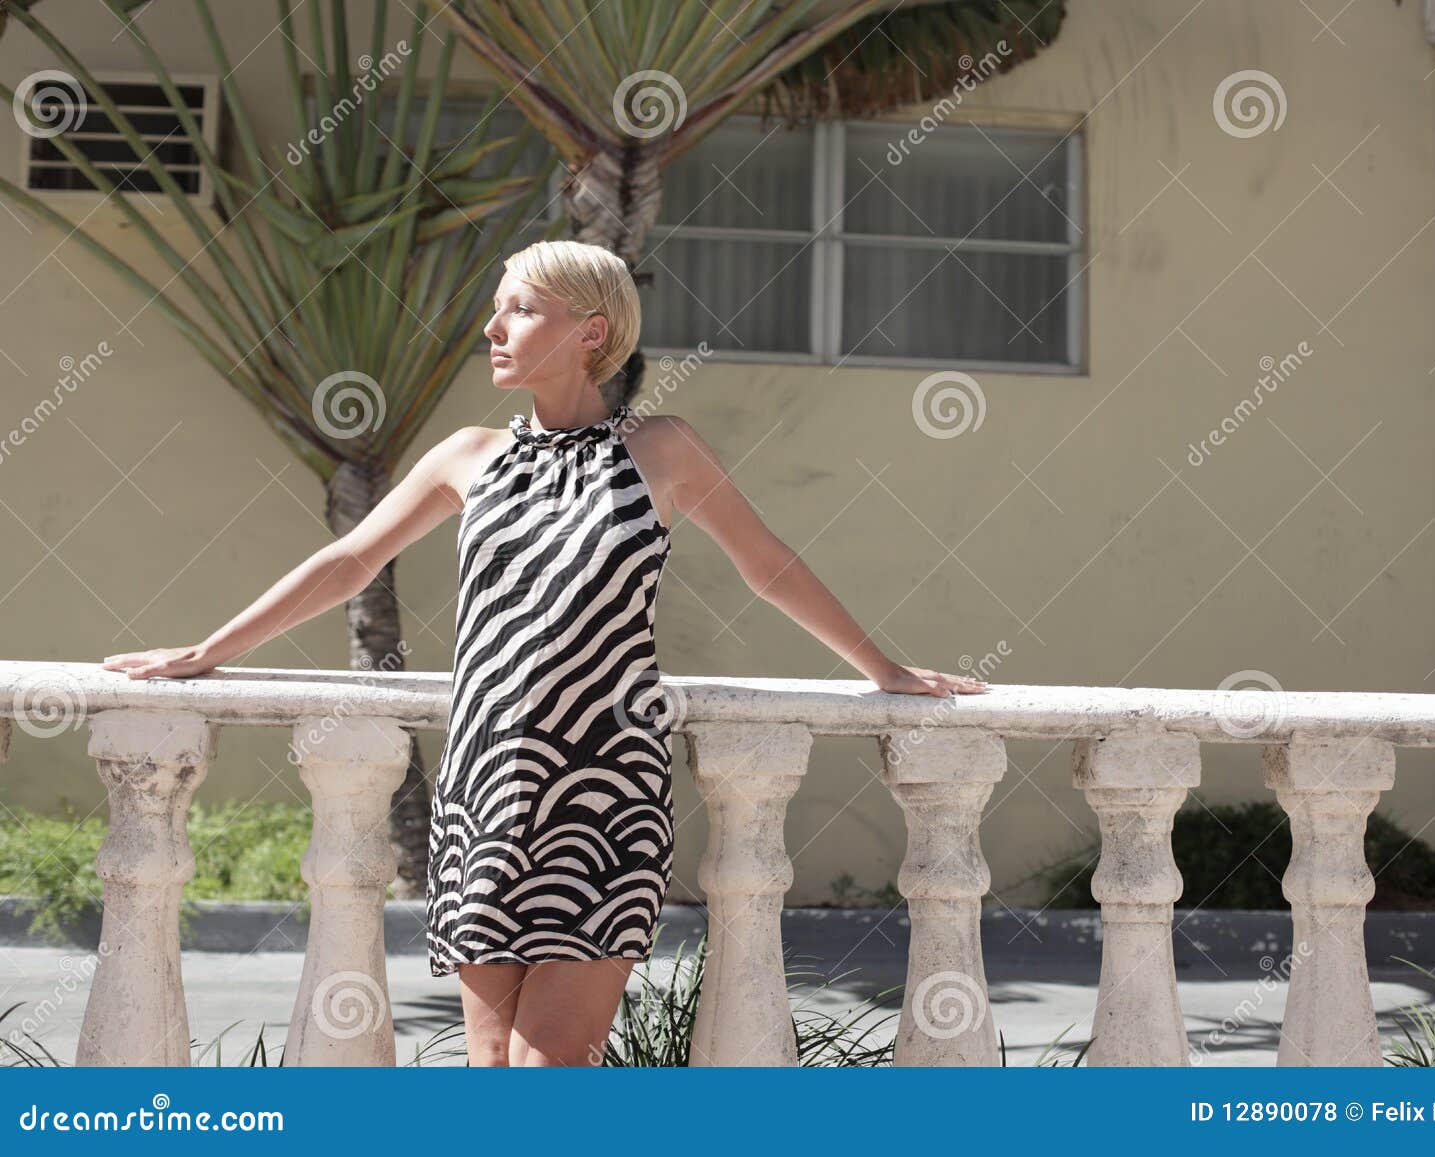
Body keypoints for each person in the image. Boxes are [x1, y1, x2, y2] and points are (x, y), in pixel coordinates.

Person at [101, 238, 990, 1067]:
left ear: (590, 331)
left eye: (518, 309)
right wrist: (206, 651)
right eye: (496, 309)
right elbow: (350, 560)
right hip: (485, 790)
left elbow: (769, 566)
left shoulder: (664, 450)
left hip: (605, 798)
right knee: (492, 1070)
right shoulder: (467, 456)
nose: (491, 328)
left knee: (547, 1070)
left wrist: (886, 670)